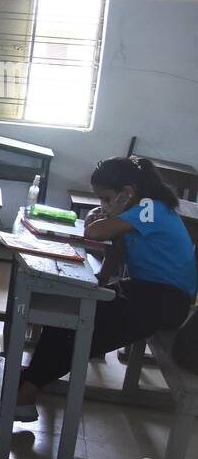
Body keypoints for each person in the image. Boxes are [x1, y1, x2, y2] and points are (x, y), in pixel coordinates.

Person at [14, 156, 196, 420]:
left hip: (167, 301)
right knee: (72, 312)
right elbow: (115, 247)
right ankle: (30, 382)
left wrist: (106, 216)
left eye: (108, 198)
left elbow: (96, 233)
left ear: (128, 193)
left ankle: (29, 388)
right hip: (146, 290)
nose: (103, 205)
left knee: (83, 329)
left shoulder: (149, 209)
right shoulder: (138, 209)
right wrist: (101, 280)